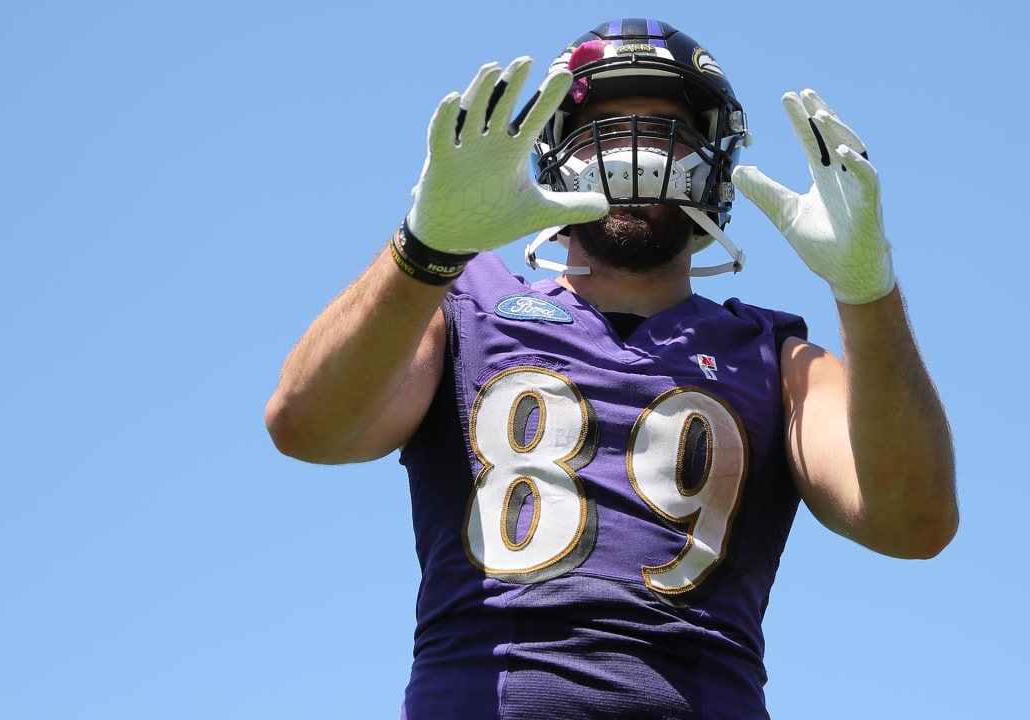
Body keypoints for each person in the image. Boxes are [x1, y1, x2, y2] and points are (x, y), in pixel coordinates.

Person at [265, 17, 958, 720]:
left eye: (664, 130)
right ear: (554, 153)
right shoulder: (464, 307)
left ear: (712, 159)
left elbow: (913, 524)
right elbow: (305, 426)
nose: (634, 150)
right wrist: (424, 250)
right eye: (607, 123)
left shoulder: (774, 355)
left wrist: (868, 293)